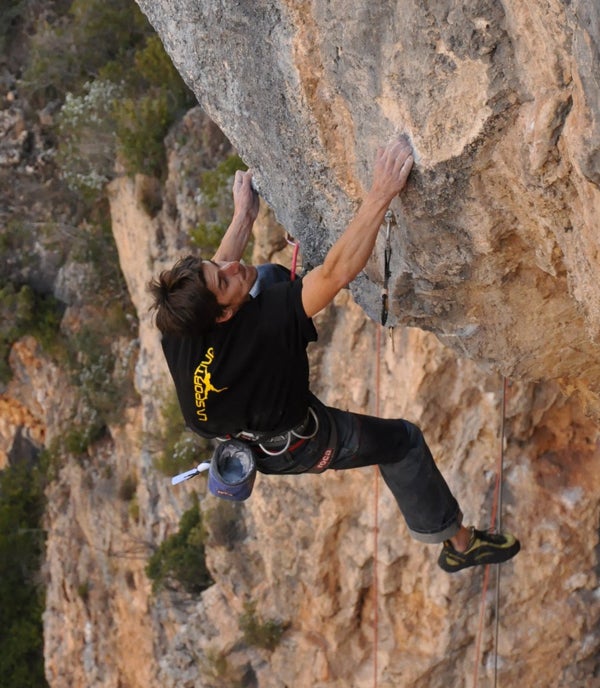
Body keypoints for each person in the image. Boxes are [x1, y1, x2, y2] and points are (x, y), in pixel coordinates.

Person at [149, 138, 520, 573]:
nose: (232, 268)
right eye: (226, 283)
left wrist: (244, 215)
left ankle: (282, 311)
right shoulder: (261, 325)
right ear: (225, 317)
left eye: (219, 270)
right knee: (403, 443)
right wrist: (382, 192)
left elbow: (217, 272)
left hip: (241, 419)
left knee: (265, 275)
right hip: (302, 442)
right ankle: (457, 543)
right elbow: (338, 272)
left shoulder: (178, 320)